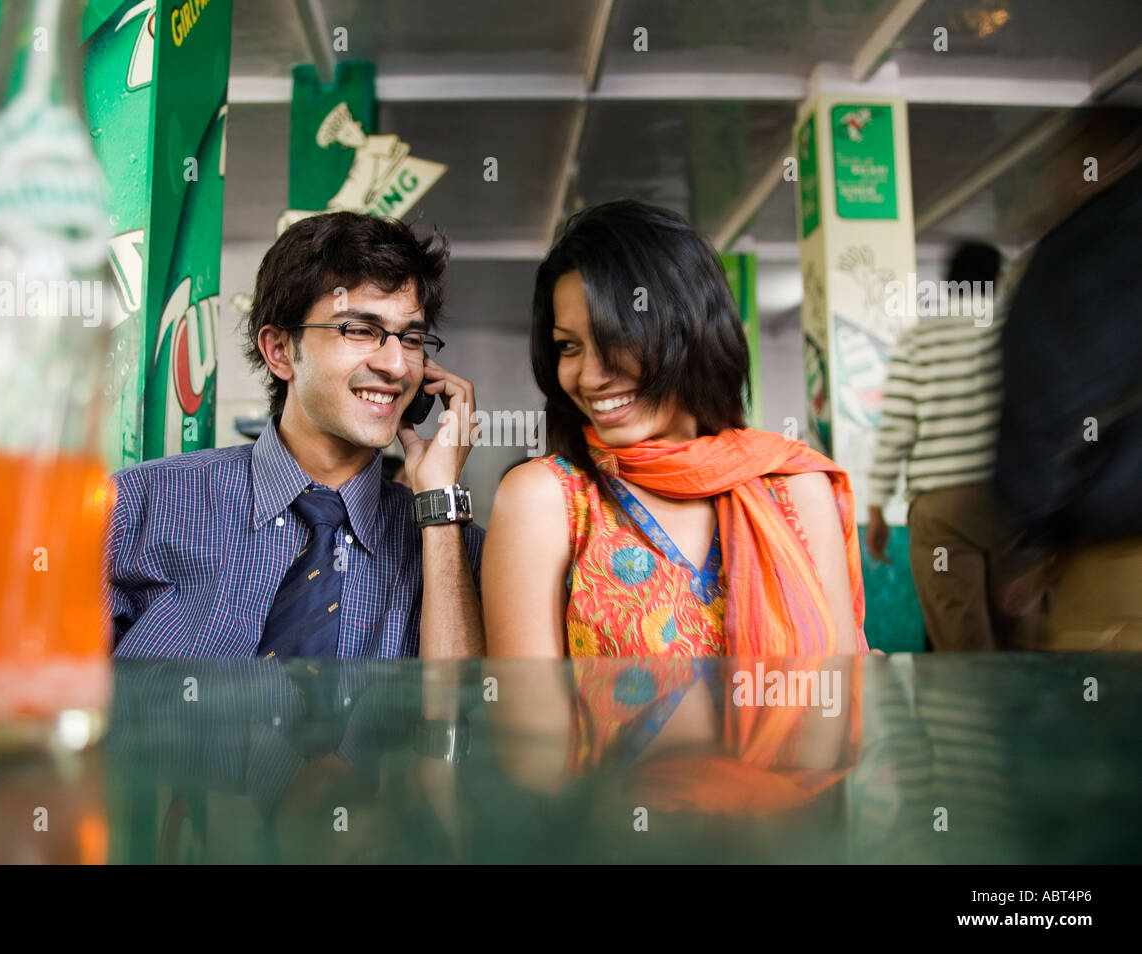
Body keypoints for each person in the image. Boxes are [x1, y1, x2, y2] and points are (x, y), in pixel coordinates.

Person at [482, 199, 867, 658]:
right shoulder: (548, 498)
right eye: (568, 346)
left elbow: (840, 700)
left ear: (690, 330)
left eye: (617, 338)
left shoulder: (795, 488)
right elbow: (531, 725)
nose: (588, 376)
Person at [107, 212, 484, 658]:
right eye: (361, 331)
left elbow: (454, 718)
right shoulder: (136, 507)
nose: (397, 366)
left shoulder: (456, 549)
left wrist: (439, 504)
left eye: (412, 339)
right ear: (280, 351)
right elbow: (42, 701)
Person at [994, 110, 1142, 650]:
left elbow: (1044, 407)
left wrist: (1032, 543)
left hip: (1116, 555)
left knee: (1104, 721)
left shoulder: (1071, 258)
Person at [865, 242, 1029, 652]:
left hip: (942, 509)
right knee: (1022, 631)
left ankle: (970, 713)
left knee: (962, 640)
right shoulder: (1014, 328)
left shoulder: (920, 341)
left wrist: (876, 506)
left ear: (949, 285)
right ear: (997, 279)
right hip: (1014, 499)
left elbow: (897, 430)